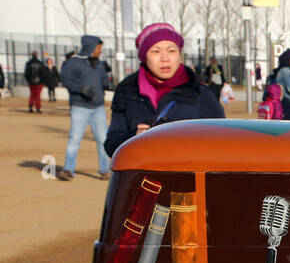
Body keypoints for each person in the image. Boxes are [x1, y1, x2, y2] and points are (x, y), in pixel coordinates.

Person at [105, 23, 224, 156]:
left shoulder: (200, 93)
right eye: (156, 51)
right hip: (143, 174)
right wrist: (133, 138)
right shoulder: (127, 91)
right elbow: (111, 145)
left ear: (179, 54)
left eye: (171, 51)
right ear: (144, 56)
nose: (165, 58)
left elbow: (222, 142)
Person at [59, 35, 114, 180]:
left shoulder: (100, 64)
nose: (100, 51)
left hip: (98, 108)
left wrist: (108, 82)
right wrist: (81, 89)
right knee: (75, 139)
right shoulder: (73, 63)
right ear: (91, 47)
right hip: (80, 107)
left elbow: (103, 83)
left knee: (103, 140)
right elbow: (65, 80)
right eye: (98, 47)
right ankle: (68, 169)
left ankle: (105, 170)